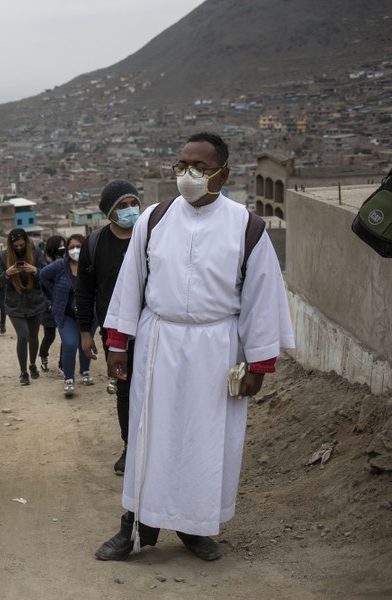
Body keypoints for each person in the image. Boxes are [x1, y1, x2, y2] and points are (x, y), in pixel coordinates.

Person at [94, 133, 295, 562]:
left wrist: (257, 364)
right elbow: (132, 282)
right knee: (150, 435)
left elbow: (262, 298)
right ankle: (132, 526)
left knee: (205, 439)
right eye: (182, 165)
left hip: (216, 347)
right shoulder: (154, 217)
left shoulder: (247, 227)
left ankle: (194, 527)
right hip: (158, 341)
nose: (188, 175)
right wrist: (117, 342)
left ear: (223, 172)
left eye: (199, 168)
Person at [75, 179, 142, 475]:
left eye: (133, 204)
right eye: (122, 207)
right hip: (114, 333)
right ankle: (131, 447)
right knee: (126, 388)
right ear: (109, 213)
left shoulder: (149, 236)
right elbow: (85, 290)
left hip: (153, 326)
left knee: (156, 387)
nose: (130, 211)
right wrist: (85, 332)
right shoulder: (95, 243)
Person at [0, 228, 47, 385]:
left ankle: (32, 364)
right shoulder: (3, 256)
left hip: (34, 301)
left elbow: (46, 273)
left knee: (33, 336)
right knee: (23, 336)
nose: (19, 248)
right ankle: (23, 372)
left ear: (26, 242)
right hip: (14, 303)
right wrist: (8, 273)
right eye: (15, 246)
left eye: (21, 245)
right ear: (11, 245)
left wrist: (34, 270)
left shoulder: (36, 252)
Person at [41, 233, 91, 397]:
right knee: (70, 344)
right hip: (66, 314)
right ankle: (69, 379)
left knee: (86, 343)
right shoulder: (60, 266)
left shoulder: (91, 265)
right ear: (66, 250)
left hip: (88, 314)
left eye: (79, 247)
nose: (75, 250)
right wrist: (54, 294)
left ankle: (85, 371)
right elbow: (43, 276)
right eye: (71, 247)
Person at [39, 235, 66, 375]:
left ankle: (63, 364)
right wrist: (48, 304)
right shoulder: (44, 265)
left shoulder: (67, 263)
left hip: (64, 307)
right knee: (50, 337)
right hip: (49, 309)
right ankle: (43, 356)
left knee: (66, 338)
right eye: (60, 245)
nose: (63, 248)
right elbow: (41, 289)